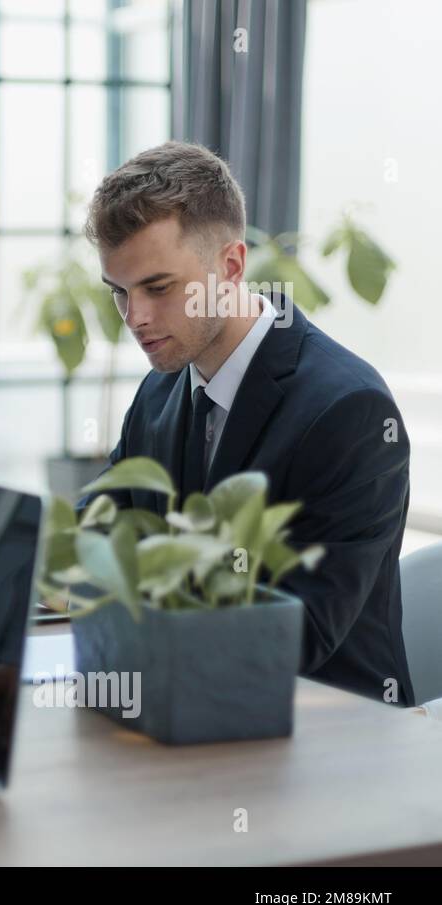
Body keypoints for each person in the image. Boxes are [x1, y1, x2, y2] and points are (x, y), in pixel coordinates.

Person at [82, 140, 414, 707]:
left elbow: (298, 633)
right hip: (189, 704)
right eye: (120, 293)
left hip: (331, 738)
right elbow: (101, 529)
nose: (135, 319)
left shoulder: (349, 412)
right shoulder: (164, 383)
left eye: (158, 288)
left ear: (230, 266)